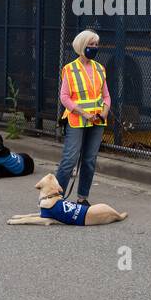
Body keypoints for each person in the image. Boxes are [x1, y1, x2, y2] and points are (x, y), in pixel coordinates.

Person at [55, 29, 112, 204]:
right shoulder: (70, 69)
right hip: (77, 120)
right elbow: (64, 97)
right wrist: (83, 112)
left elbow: (106, 96)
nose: (94, 48)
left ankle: (82, 198)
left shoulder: (99, 68)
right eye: (91, 44)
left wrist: (104, 111)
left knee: (89, 161)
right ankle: (55, 198)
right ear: (82, 46)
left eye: (96, 44)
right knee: (69, 159)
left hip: (97, 121)